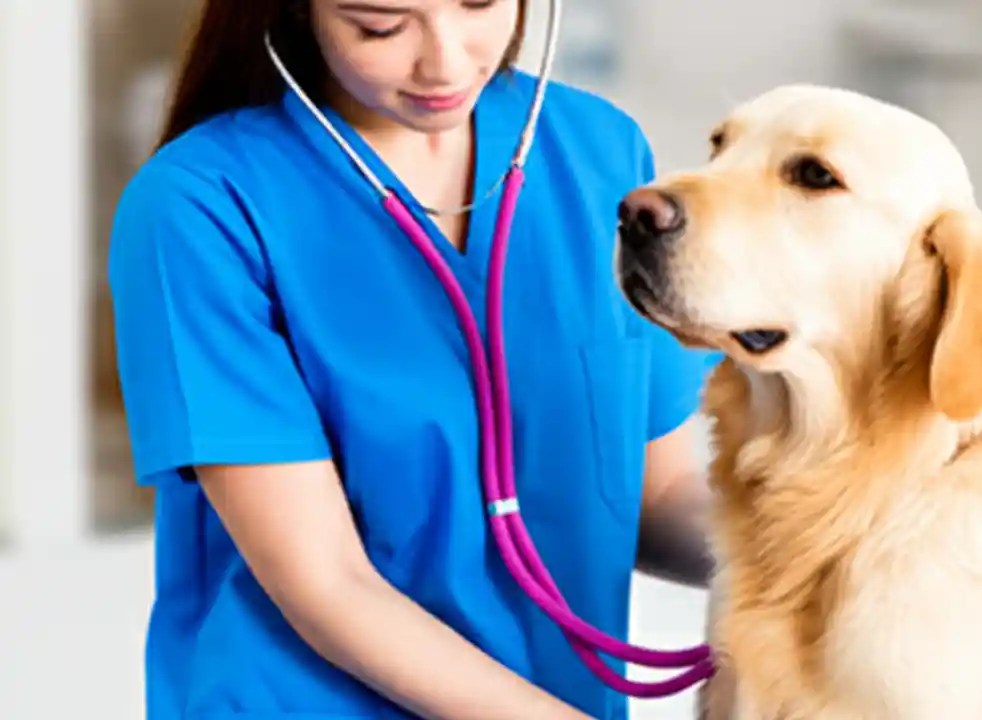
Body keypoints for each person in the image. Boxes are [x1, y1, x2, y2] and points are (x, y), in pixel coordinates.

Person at [107, 1, 719, 718]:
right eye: (381, 25)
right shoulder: (199, 206)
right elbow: (327, 584)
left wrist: (840, 565)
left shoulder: (597, 150)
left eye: (479, 5)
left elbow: (656, 489)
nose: (447, 63)